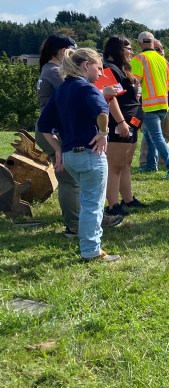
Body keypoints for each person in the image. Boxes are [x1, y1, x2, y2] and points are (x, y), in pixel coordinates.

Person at [36, 48, 120, 262]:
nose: (101, 73)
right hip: (90, 154)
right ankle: (91, 251)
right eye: (98, 67)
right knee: (93, 205)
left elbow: (44, 125)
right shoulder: (87, 89)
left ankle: (89, 246)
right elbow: (102, 112)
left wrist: (57, 150)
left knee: (86, 202)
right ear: (85, 65)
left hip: (69, 156)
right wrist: (103, 133)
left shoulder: (62, 89)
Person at [35, 34, 81, 236]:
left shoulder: (49, 69)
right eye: (74, 52)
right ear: (64, 52)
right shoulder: (56, 72)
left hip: (49, 129)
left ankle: (80, 219)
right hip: (53, 132)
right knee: (69, 179)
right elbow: (76, 95)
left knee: (71, 177)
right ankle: (75, 224)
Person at [101, 36, 146, 216]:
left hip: (133, 122)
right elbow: (110, 98)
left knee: (126, 163)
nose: (131, 52)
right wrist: (120, 122)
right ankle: (112, 206)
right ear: (117, 49)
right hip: (120, 125)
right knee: (115, 165)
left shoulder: (123, 69)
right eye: (127, 48)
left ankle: (128, 199)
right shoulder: (107, 69)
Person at [130, 31, 169, 180]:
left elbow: (135, 83)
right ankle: (150, 166)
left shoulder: (138, 59)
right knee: (149, 135)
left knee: (156, 137)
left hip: (148, 106)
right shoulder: (164, 61)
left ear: (139, 43)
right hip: (163, 106)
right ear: (153, 43)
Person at [140, 39, 169, 171]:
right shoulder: (150, 62)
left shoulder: (167, 64)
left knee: (161, 136)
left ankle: (166, 164)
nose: (160, 51)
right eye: (157, 49)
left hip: (164, 106)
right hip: (153, 106)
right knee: (151, 136)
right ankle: (149, 164)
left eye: (161, 48)